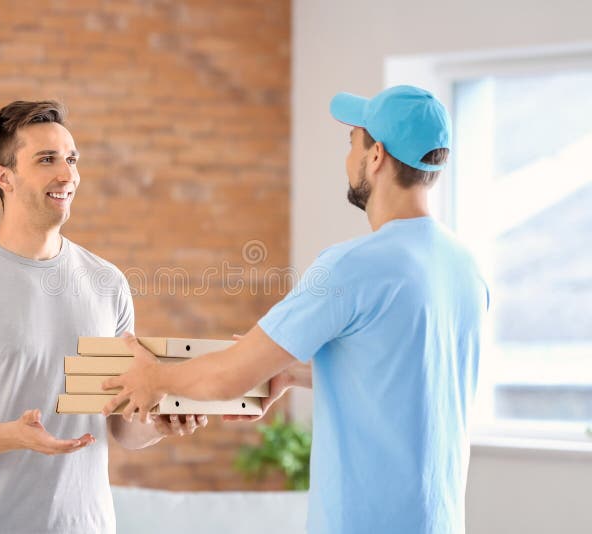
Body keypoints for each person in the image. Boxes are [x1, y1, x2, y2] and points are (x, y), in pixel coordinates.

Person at [103, 85, 489, 533]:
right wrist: (293, 370)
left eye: (352, 144)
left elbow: (230, 375)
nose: (348, 159)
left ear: (376, 156)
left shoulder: (353, 267)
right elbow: (402, 373)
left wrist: (154, 378)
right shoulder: (465, 267)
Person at [0, 100, 206, 534]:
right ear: (2, 176)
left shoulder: (108, 282)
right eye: (47, 160)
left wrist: (157, 423)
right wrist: (14, 435)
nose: (67, 174)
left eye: (71, 159)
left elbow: (120, 426)